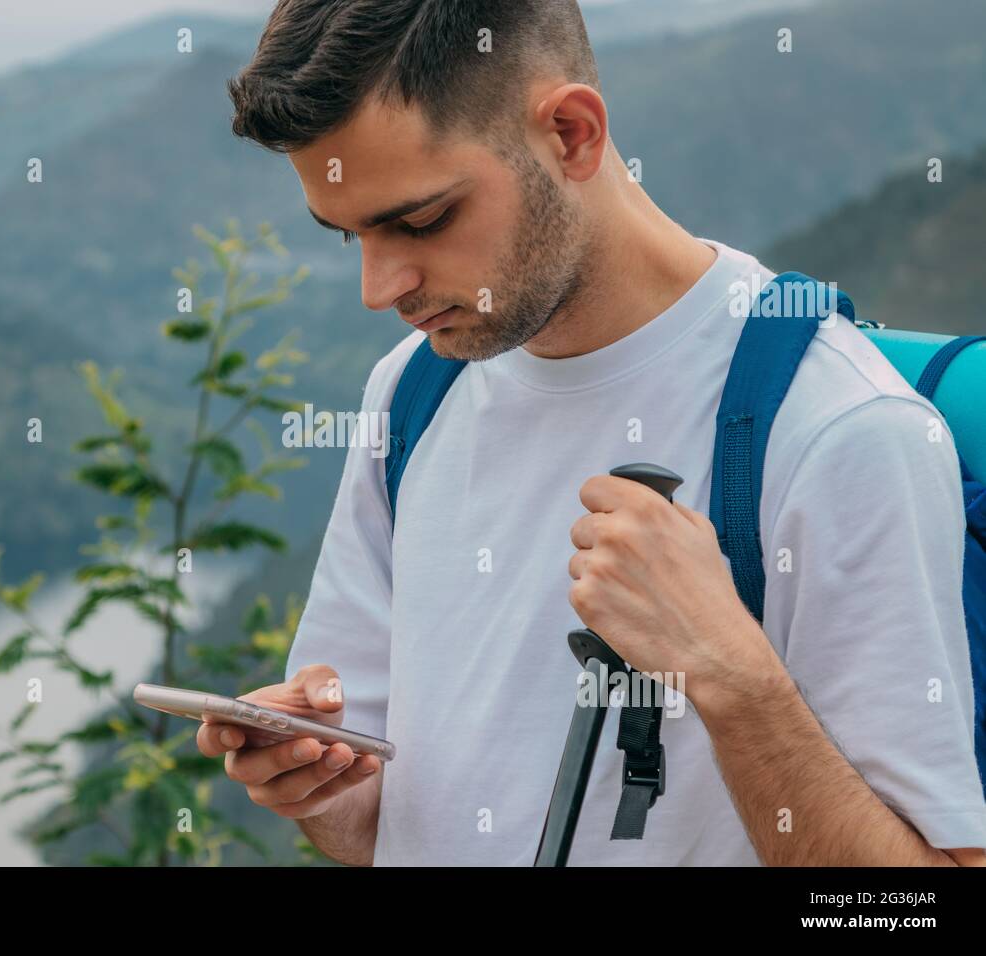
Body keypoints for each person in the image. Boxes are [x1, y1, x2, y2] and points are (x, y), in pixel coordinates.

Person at [196, 0, 986, 866]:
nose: (381, 288)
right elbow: (392, 826)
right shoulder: (412, 393)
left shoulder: (837, 427)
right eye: (349, 234)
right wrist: (326, 791)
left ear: (571, 133)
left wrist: (729, 677)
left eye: (420, 222)